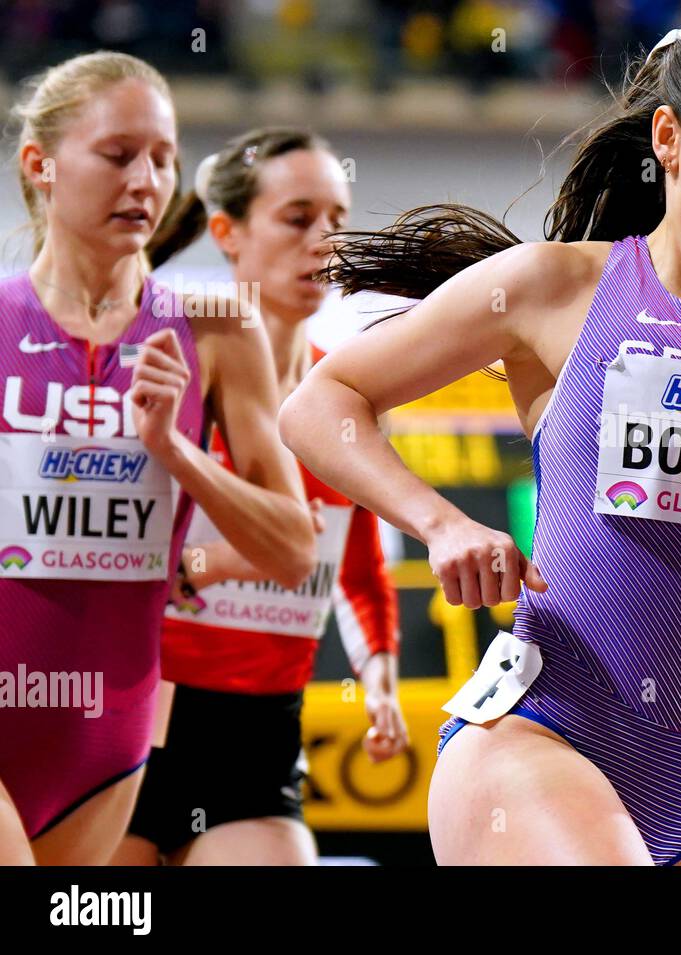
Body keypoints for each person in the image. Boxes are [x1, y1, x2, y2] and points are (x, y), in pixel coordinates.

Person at [279, 13, 681, 865]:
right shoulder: (554, 287)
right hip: (544, 738)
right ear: (671, 137)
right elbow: (321, 401)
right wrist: (441, 523)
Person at [0, 52, 316, 865]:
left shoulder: (216, 326)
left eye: (164, 158)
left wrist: (173, 450)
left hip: (111, 725)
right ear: (40, 165)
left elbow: (290, 548)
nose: (146, 180)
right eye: (117, 155)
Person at [111, 128, 408, 866]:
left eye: (339, 218)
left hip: (259, 736)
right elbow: (101, 537)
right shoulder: (169, 369)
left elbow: (359, 562)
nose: (326, 239)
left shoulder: (347, 393)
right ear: (228, 233)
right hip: (145, 714)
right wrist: (220, 559)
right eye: (298, 217)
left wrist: (379, 677)